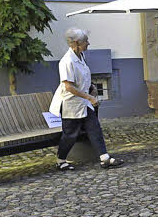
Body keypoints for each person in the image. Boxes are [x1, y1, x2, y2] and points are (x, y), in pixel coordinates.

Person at [51, 28, 123, 171]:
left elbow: (82, 77)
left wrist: (91, 86)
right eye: (86, 41)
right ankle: (60, 160)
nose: (88, 43)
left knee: (94, 128)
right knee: (70, 135)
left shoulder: (80, 56)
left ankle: (105, 159)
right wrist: (89, 97)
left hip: (83, 102)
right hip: (70, 104)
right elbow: (68, 87)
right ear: (77, 43)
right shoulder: (67, 61)